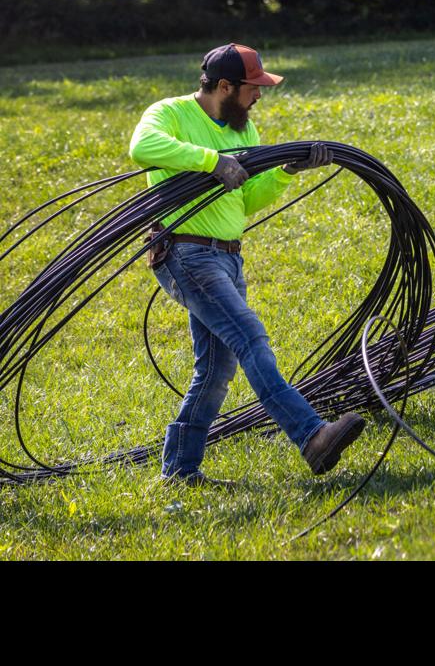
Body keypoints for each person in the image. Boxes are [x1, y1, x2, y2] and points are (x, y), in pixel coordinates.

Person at [130, 42, 365, 487]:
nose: (259, 96)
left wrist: (282, 173)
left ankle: (179, 471)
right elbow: (142, 147)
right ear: (224, 86)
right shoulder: (169, 114)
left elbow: (245, 200)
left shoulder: (245, 133)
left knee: (217, 367)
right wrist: (210, 161)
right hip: (186, 252)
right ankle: (311, 435)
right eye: (252, 88)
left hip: (228, 256)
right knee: (251, 338)